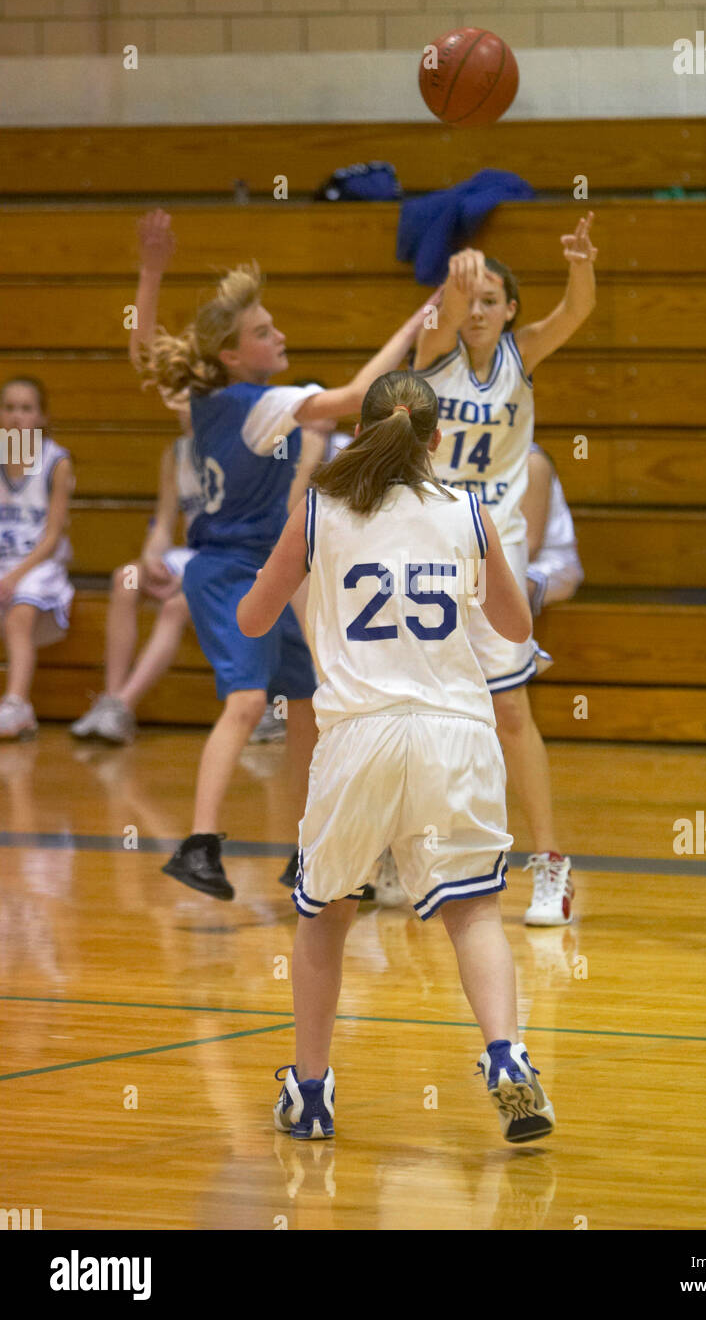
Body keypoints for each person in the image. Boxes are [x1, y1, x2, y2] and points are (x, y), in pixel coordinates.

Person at [237, 370, 556, 1143]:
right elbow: (514, 629)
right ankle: (507, 1057)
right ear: (437, 441)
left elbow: (252, 620)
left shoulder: (320, 510)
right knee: (473, 912)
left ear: (359, 434)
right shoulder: (467, 510)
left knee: (326, 919)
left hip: (360, 737)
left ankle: (310, 1095)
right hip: (453, 733)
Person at [136, 228, 429, 900]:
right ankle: (200, 845)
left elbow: (146, 353)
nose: (279, 336)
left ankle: (308, 847)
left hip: (268, 570)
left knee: (308, 699)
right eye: (264, 332)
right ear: (234, 355)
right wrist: (414, 322)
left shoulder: (204, 400)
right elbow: (360, 394)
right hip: (227, 569)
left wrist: (150, 275)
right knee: (245, 699)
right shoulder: (256, 404)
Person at [412, 218, 597, 926]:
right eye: (470, 299)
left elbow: (575, 311)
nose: (478, 311)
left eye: (492, 300)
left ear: (510, 310)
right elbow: (436, 322)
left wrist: (579, 264)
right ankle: (412, 853)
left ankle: (549, 864)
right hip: (427, 539)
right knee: (420, 709)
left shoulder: (521, 355)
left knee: (510, 709)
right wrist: (450, 291)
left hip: (497, 543)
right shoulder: (434, 350)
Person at [70, 410, 205, 744]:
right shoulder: (176, 453)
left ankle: (123, 705)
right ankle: (111, 701)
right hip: (188, 557)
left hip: (220, 561)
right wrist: (150, 558)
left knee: (176, 606)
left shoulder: (235, 450)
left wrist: (194, 577)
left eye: (192, 399)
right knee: (126, 577)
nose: (184, 409)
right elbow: (163, 522)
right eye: (178, 401)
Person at [0, 376, 75, 740]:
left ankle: (17, 704)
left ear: (43, 416)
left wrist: (13, 576)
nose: (16, 417)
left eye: (26, 408)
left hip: (39, 564)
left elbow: (53, 535)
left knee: (20, 612)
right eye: (9, 407)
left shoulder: (56, 461)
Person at [524, 441, 583, 615]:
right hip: (492, 562)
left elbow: (530, 546)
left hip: (548, 563)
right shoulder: (455, 459)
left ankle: (522, 643)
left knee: (490, 590)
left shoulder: (532, 461)